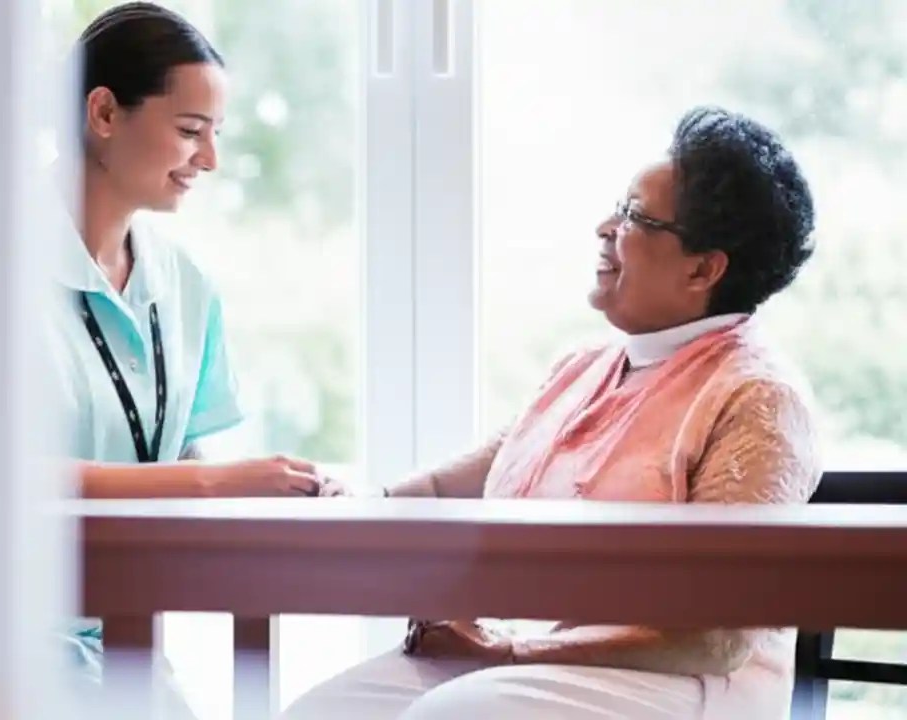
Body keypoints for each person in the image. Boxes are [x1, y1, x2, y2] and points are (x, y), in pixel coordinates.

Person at [292, 106, 822, 719]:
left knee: (456, 715)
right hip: (527, 658)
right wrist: (353, 504)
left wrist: (511, 652)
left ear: (704, 268)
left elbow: (718, 638)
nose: (604, 226)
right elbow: (448, 488)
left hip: (683, 681)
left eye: (633, 216)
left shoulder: (759, 396)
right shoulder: (583, 366)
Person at [50, 3, 330, 715]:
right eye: (189, 132)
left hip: (126, 642)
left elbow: (192, 464)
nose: (210, 160)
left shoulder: (186, 288)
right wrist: (213, 482)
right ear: (104, 113)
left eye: (216, 136)